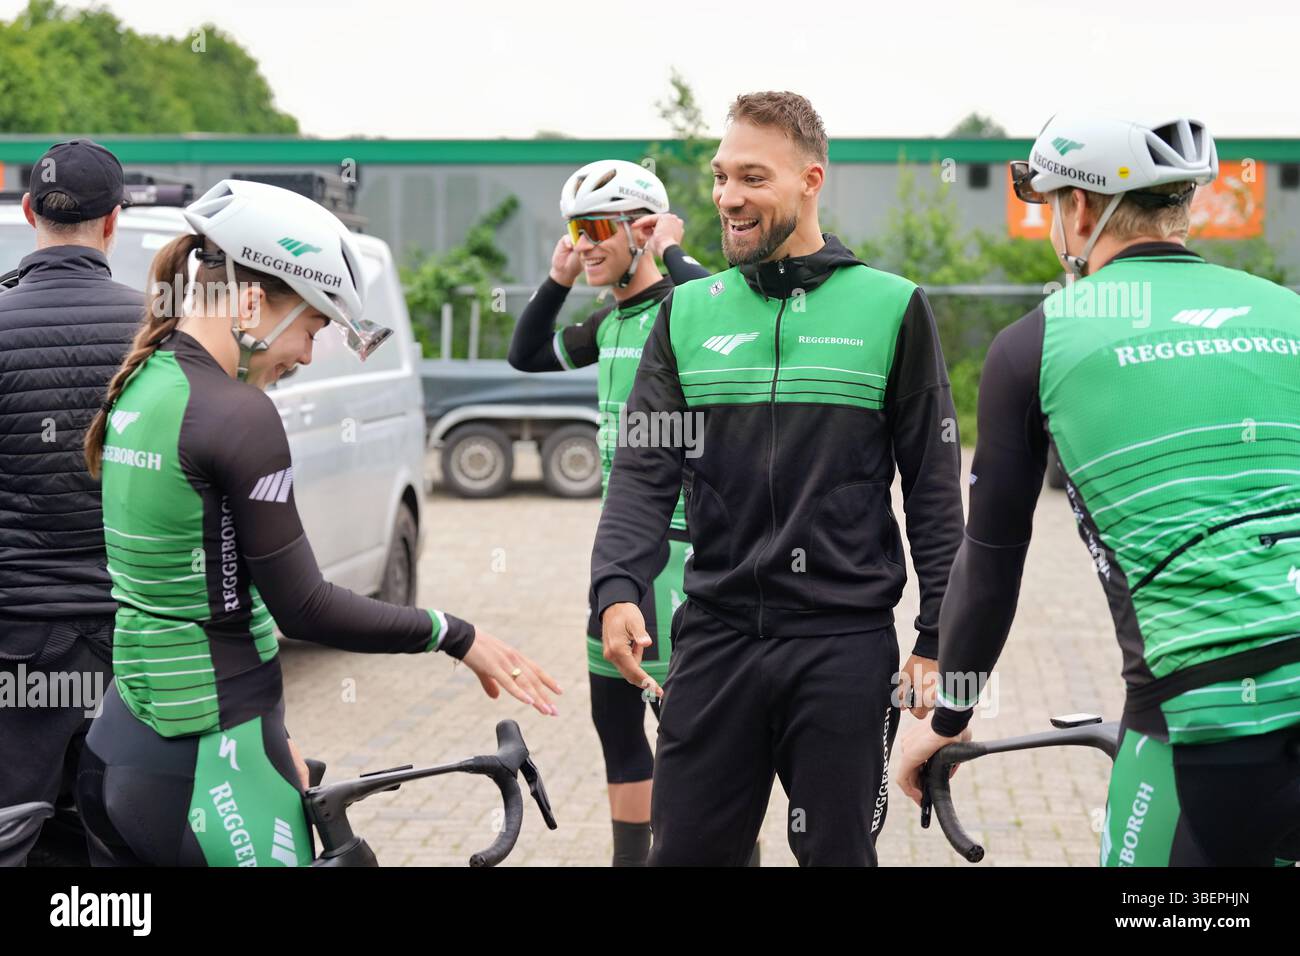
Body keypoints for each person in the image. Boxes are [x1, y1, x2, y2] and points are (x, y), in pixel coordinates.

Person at [74, 179, 560, 866]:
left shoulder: (146, 381)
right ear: (249, 302)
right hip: (211, 758)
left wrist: (269, 739)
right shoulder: (237, 414)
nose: (306, 354)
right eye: (311, 325)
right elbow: (304, 606)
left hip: (128, 744)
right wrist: (455, 635)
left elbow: (211, 582)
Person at [896, 114, 1300, 866]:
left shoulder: (1036, 344)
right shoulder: (1289, 311)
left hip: (1200, 725)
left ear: (1080, 210)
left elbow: (988, 571)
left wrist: (948, 717)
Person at [590, 91, 965, 866]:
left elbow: (933, 486)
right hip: (715, 638)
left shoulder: (892, 308)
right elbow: (643, 470)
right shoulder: (688, 313)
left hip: (842, 648)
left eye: (752, 177)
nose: (728, 197)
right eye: (723, 177)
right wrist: (618, 586)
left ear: (810, 181)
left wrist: (938, 636)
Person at [508, 160, 711, 866]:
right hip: (620, 562)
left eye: (597, 228)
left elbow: (725, 299)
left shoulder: (685, 306)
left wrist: (672, 251)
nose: (585, 242)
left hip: (684, 558)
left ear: (641, 229)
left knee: (702, 748)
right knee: (618, 733)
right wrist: (560, 276)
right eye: (575, 229)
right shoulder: (611, 321)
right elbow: (526, 353)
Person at [0, 141, 142, 866]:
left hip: (18, 644)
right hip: (134, 642)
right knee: (115, 837)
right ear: (114, 221)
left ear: (28, 212)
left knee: (14, 835)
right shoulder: (156, 333)